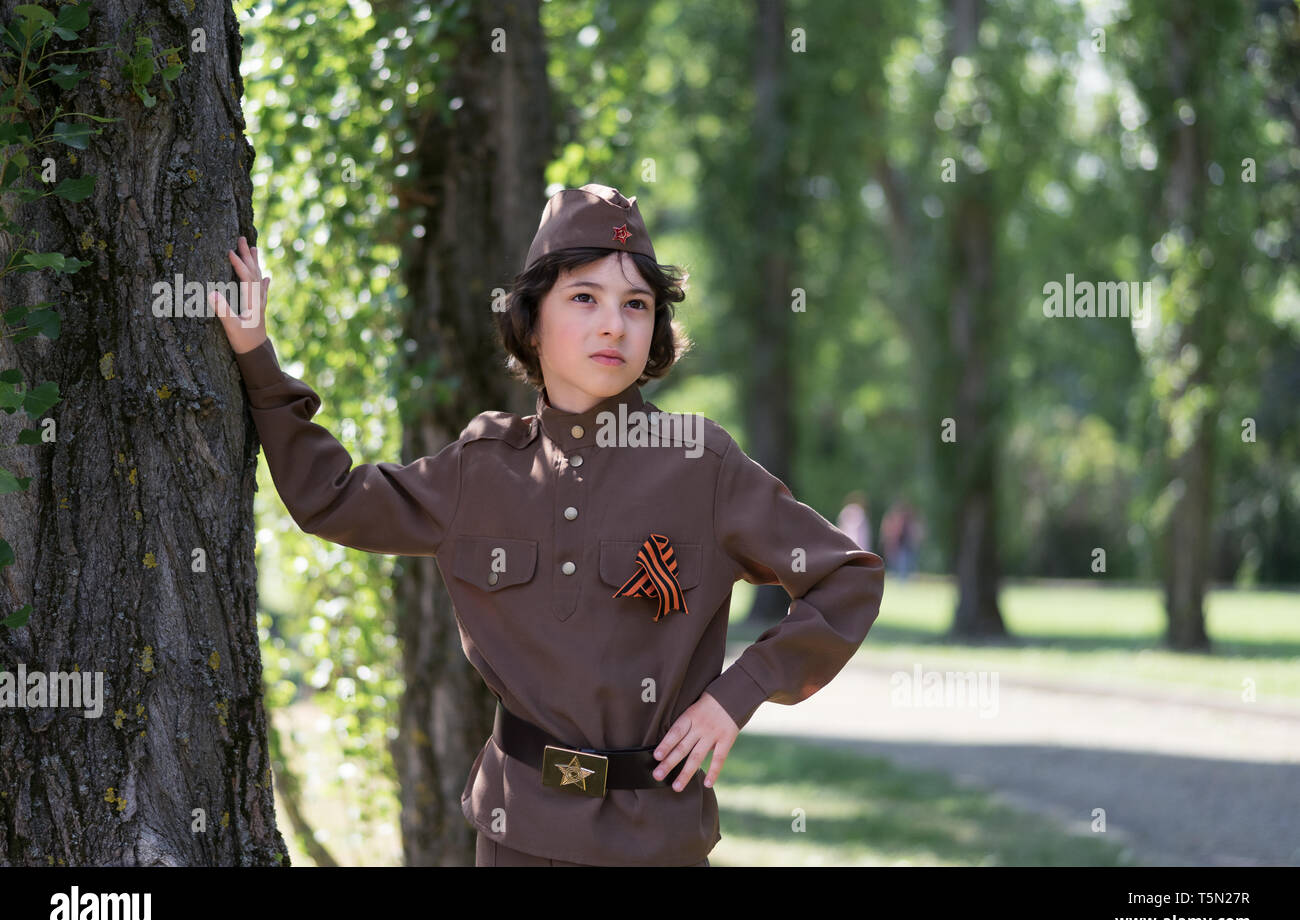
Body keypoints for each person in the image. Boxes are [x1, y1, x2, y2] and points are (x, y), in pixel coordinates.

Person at [210, 184, 886, 867]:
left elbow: (846, 579)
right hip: (516, 834)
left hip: (659, 841)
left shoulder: (701, 462)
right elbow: (329, 498)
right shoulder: (479, 468)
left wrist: (735, 696)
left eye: (637, 305)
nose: (613, 326)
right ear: (531, 321)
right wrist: (256, 355)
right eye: (584, 298)